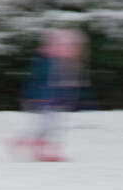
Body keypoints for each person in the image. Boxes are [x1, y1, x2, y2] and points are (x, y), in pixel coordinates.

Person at [17, 28, 91, 162]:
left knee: (53, 126)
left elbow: (63, 82)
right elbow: (42, 81)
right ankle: (33, 149)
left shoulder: (57, 61)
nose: (74, 49)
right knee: (46, 127)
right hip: (43, 99)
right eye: (69, 45)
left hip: (52, 100)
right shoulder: (46, 60)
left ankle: (39, 149)